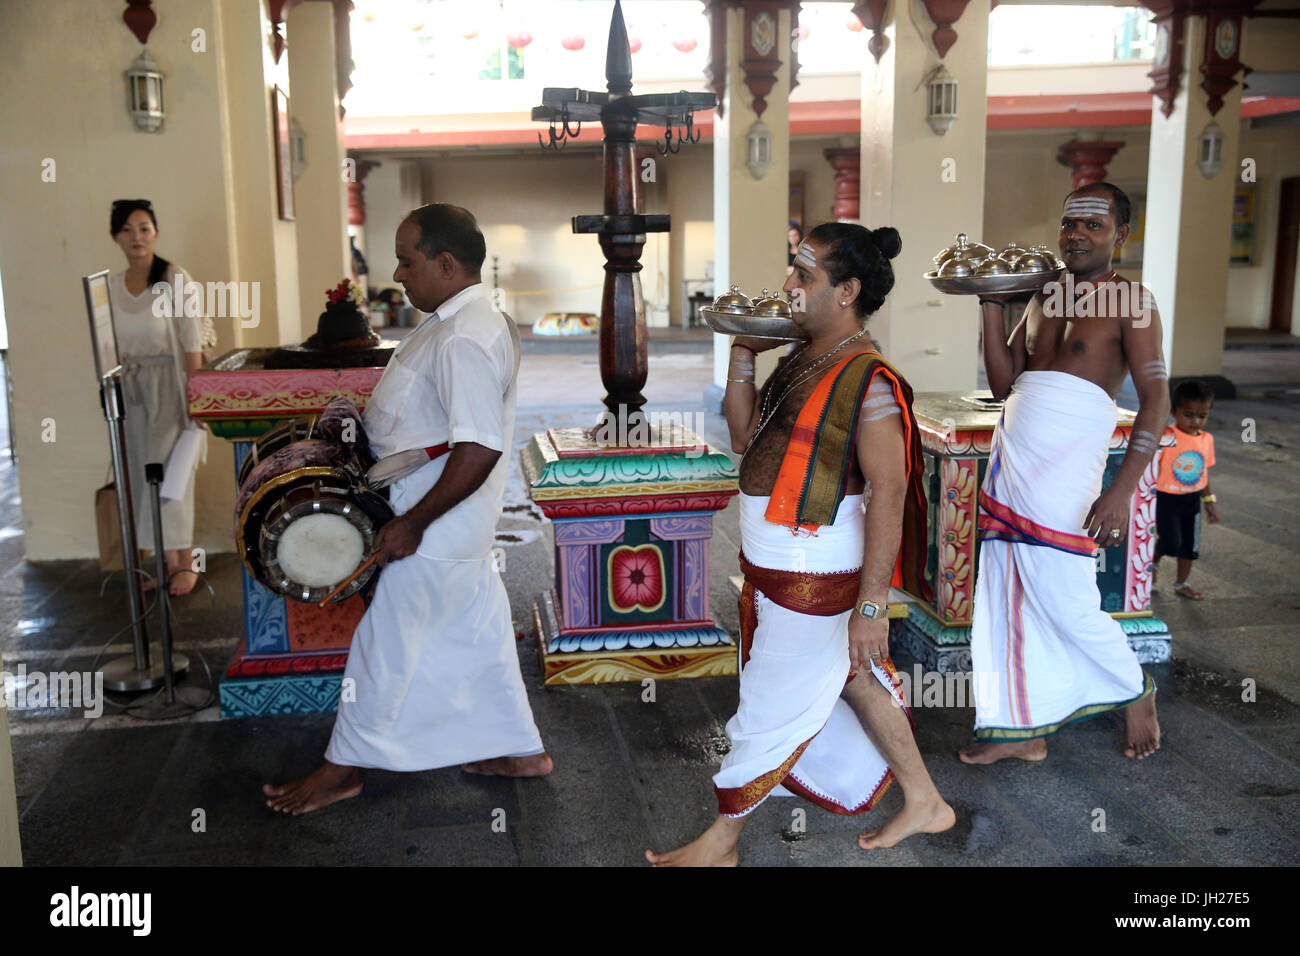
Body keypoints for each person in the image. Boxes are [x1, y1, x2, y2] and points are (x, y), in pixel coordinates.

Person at [646, 223, 954, 866]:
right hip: (775, 561)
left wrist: (871, 607)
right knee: (852, 678)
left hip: (815, 571)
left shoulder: (867, 379)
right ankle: (925, 799)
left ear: (847, 291)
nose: (787, 286)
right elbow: (742, 436)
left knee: (768, 704)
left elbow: (890, 492)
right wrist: (740, 355)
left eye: (804, 276)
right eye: (793, 269)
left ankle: (722, 841)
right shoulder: (804, 356)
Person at [264, 204, 551, 815]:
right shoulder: (454, 321)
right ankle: (519, 751)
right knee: (475, 628)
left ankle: (341, 771)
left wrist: (411, 524)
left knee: (385, 642)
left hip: (435, 520)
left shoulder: (465, 335)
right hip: (446, 520)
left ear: (446, 264)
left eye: (407, 259)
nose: (396, 272)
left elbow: (478, 445)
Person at [959, 182, 1167, 766]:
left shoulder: (1134, 302)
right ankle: (1023, 731)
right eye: (1069, 224)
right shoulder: (1044, 293)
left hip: (1069, 466)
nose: (1076, 235)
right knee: (1006, 591)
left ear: (1121, 236)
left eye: (1093, 226)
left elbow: (1156, 399)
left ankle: (1135, 689)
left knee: (1064, 592)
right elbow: (1006, 385)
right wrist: (989, 302)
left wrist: (1121, 491)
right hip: (1016, 452)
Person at [106, 199, 203, 596]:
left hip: (169, 384)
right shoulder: (109, 285)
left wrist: (196, 396)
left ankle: (186, 562)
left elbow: (191, 339)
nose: (137, 237)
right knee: (139, 471)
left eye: (144, 228)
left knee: (170, 475)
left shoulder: (173, 277)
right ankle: (165, 562)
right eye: (127, 229)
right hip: (129, 387)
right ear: (115, 236)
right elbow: (105, 341)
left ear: (156, 233)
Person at [1153, 380, 1218, 600]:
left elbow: (1203, 473)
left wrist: (1209, 501)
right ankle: (1152, 562)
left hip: (1193, 501)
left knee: (1189, 546)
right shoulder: (1166, 436)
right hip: (1166, 498)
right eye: (1188, 415)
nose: (1195, 421)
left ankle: (1181, 584)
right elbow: (1150, 467)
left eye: (1202, 416)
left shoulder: (1207, 440)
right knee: (1170, 542)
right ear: (1174, 411)